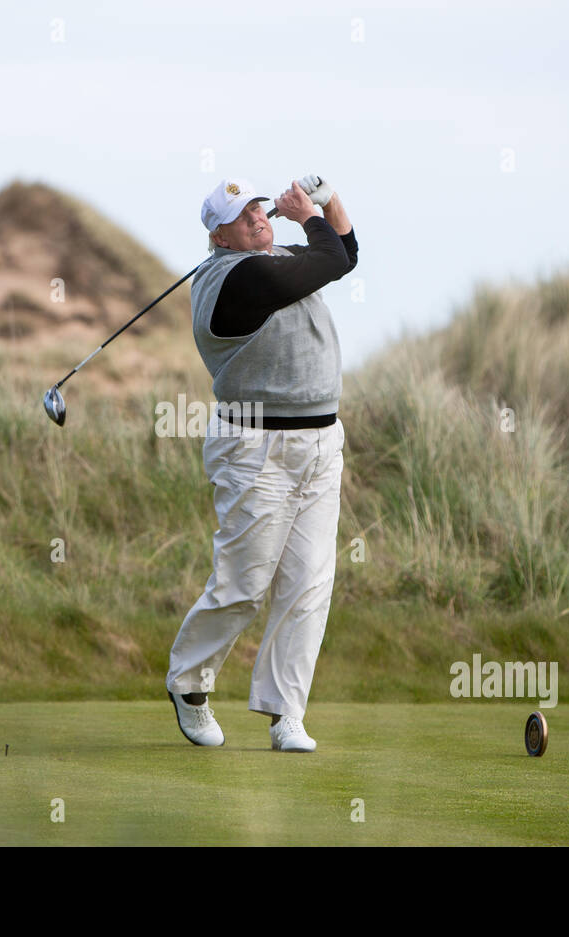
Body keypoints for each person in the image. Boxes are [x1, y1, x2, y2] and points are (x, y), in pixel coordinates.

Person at [166, 175, 358, 752]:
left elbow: (343, 254)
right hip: (256, 449)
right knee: (245, 584)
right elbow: (322, 258)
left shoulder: (274, 257)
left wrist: (328, 200)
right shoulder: (237, 278)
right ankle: (188, 683)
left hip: (322, 443)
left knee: (309, 583)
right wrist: (309, 217)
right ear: (219, 237)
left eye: (257, 206)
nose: (256, 217)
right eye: (241, 214)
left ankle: (286, 714)